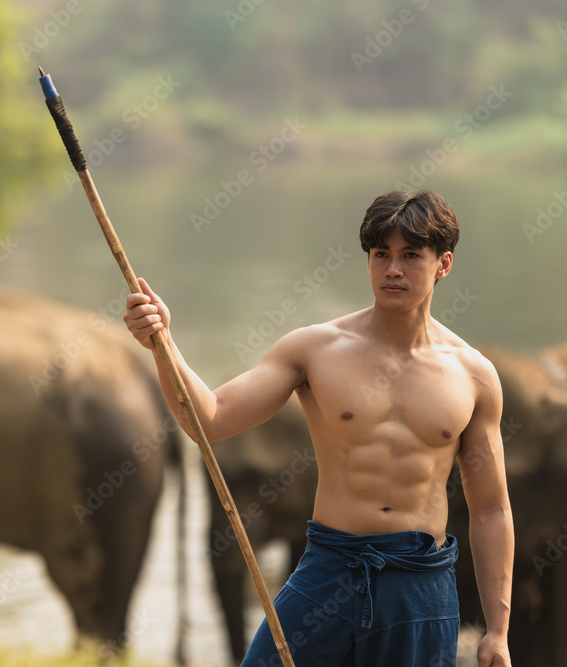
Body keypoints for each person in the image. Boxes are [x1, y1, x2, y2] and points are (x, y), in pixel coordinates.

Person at [123, 189, 513, 666]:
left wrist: (497, 630)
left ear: (443, 264)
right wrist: (163, 344)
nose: (393, 269)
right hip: (329, 572)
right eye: (380, 255)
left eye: (411, 255)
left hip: (420, 584)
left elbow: (490, 508)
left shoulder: (473, 375)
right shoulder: (314, 350)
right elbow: (211, 418)